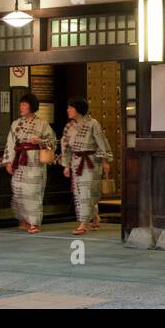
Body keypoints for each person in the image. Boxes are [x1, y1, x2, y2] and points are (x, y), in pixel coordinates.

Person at [1, 93, 56, 234]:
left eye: (25, 104)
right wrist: (8, 162)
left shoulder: (42, 124)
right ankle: (24, 219)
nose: (22, 107)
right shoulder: (16, 124)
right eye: (21, 105)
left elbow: (52, 142)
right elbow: (10, 143)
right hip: (19, 161)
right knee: (18, 190)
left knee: (33, 192)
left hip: (35, 162)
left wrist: (40, 141)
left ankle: (35, 222)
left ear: (32, 106)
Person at [60, 96, 112, 235]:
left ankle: (83, 223)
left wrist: (105, 161)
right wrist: (66, 165)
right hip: (77, 162)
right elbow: (65, 147)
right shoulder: (68, 127)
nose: (68, 110)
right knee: (79, 193)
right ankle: (94, 217)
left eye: (70, 108)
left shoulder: (93, 123)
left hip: (91, 162)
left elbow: (101, 141)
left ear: (77, 109)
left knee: (87, 192)